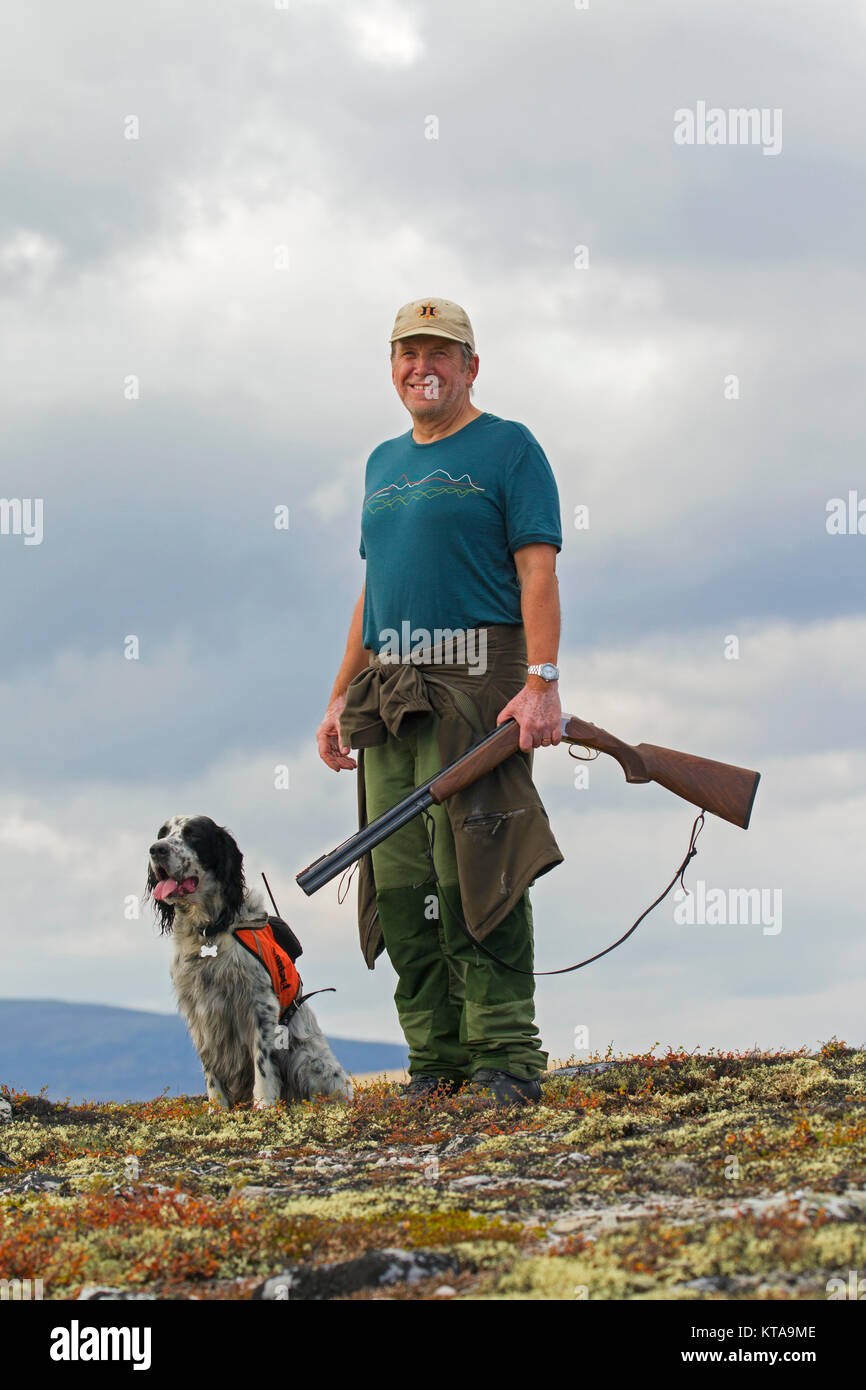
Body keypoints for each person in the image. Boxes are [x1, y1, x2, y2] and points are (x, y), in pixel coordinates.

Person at [316, 296, 564, 1106]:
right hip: (387, 694)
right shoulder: (380, 463)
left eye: (440, 354)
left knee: (477, 870)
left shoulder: (509, 447)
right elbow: (373, 591)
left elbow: (537, 570)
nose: (421, 368)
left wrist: (541, 683)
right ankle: (437, 1062)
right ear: (393, 367)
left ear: (470, 367)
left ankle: (506, 1060)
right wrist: (338, 697)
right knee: (401, 881)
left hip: (477, 681)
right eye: (407, 354)